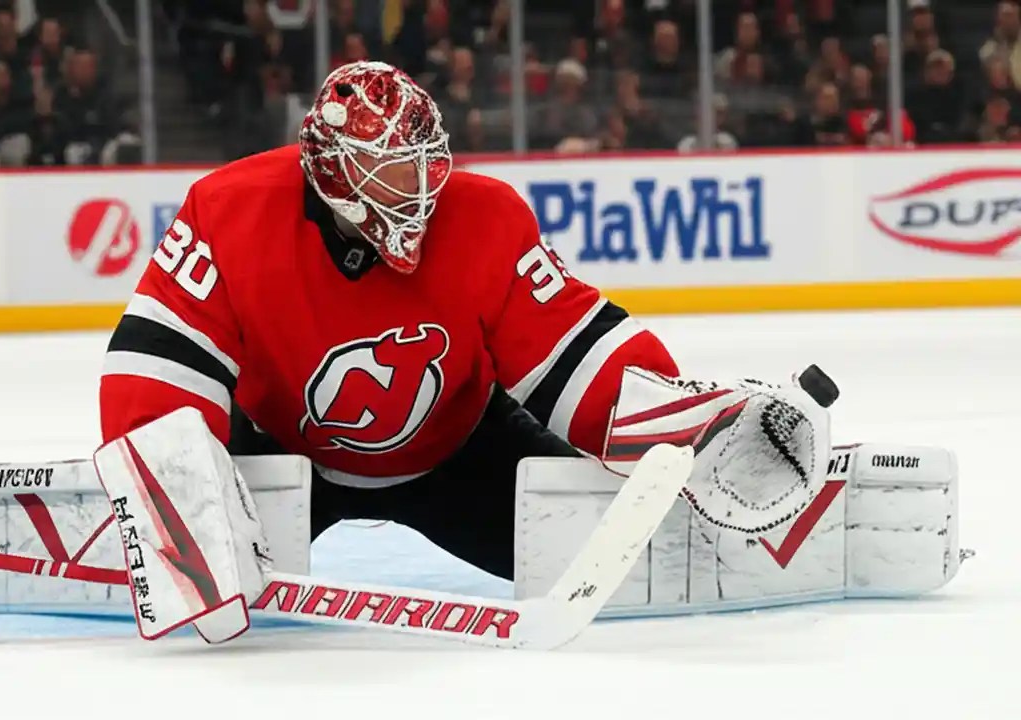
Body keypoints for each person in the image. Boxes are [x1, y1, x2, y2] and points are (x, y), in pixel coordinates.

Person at [98, 61, 831, 584]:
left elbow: (578, 359)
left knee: (623, 566)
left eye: (423, 163)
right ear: (333, 174)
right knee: (180, 538)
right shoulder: (229, 211)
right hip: (283, 461)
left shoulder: (484, 218)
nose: (418, 189)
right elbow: (157, 367)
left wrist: (689, 426)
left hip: (462, 455)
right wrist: (174, 491)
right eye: (392, 171)